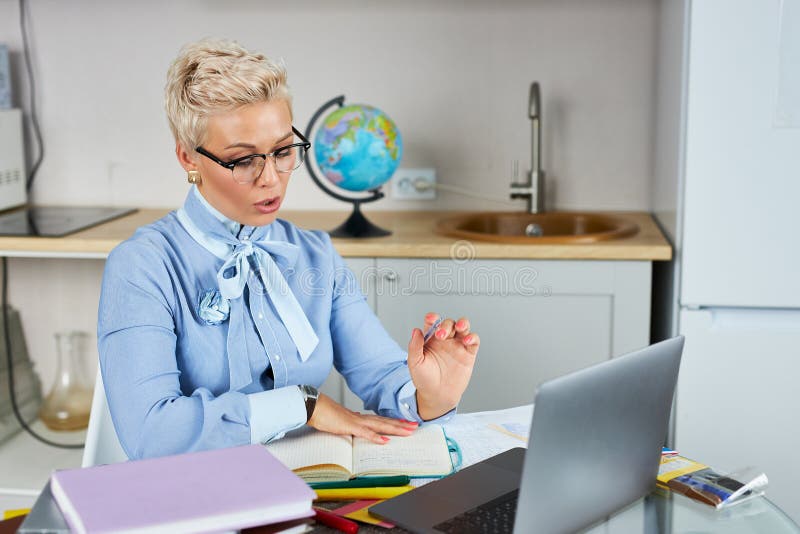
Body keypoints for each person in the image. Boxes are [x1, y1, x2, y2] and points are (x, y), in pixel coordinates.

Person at [97, 38, 480, 460]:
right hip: (201, 492)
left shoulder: (316, 255)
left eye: (282, 151)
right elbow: (151, 435)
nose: (271, 178)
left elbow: (382, 374)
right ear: (188, 158)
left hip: (312, 484)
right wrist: (303, 405)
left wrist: (431, 394)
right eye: (244, 160)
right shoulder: (142, 266)